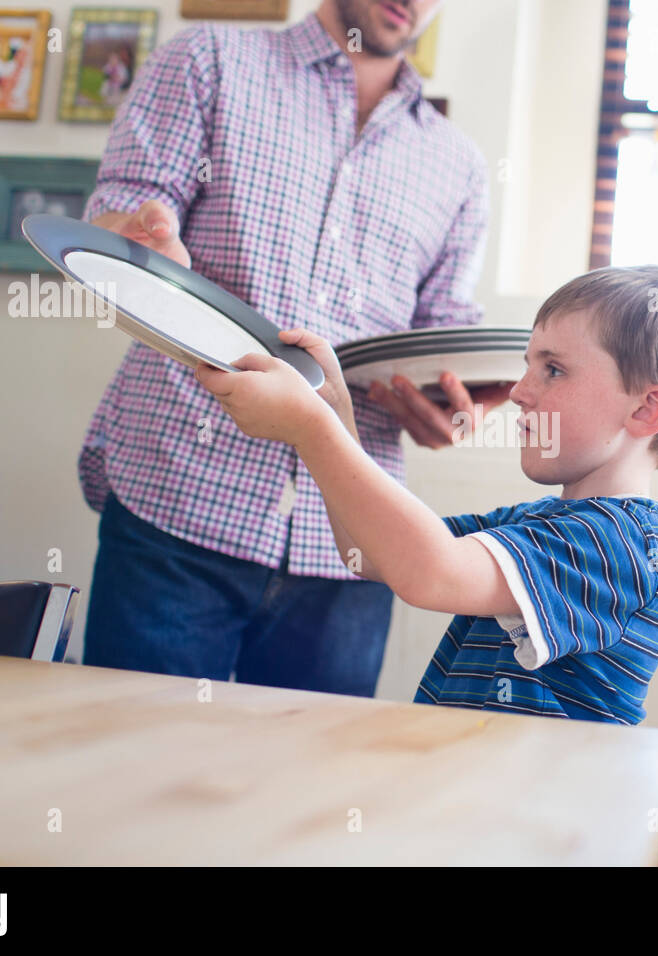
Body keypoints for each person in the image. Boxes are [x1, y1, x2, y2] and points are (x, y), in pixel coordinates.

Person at [79, 0, 510, 695]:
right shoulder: (207, 60)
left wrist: (459, 409)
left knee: (314, 793)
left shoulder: (457, 165)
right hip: (178, 505)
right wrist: (141, 239)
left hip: (348, 549)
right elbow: (123, 217)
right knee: (130, 774)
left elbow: (441, 333)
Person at [195, 265, 658, 723]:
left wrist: (310, 428)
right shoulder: (539, 524)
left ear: (648, 409)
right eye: (528, 365)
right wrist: (336, 412)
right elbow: (374, 556)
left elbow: (427, 572)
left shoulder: (620, 547)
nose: (520, 392)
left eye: (552, 369)